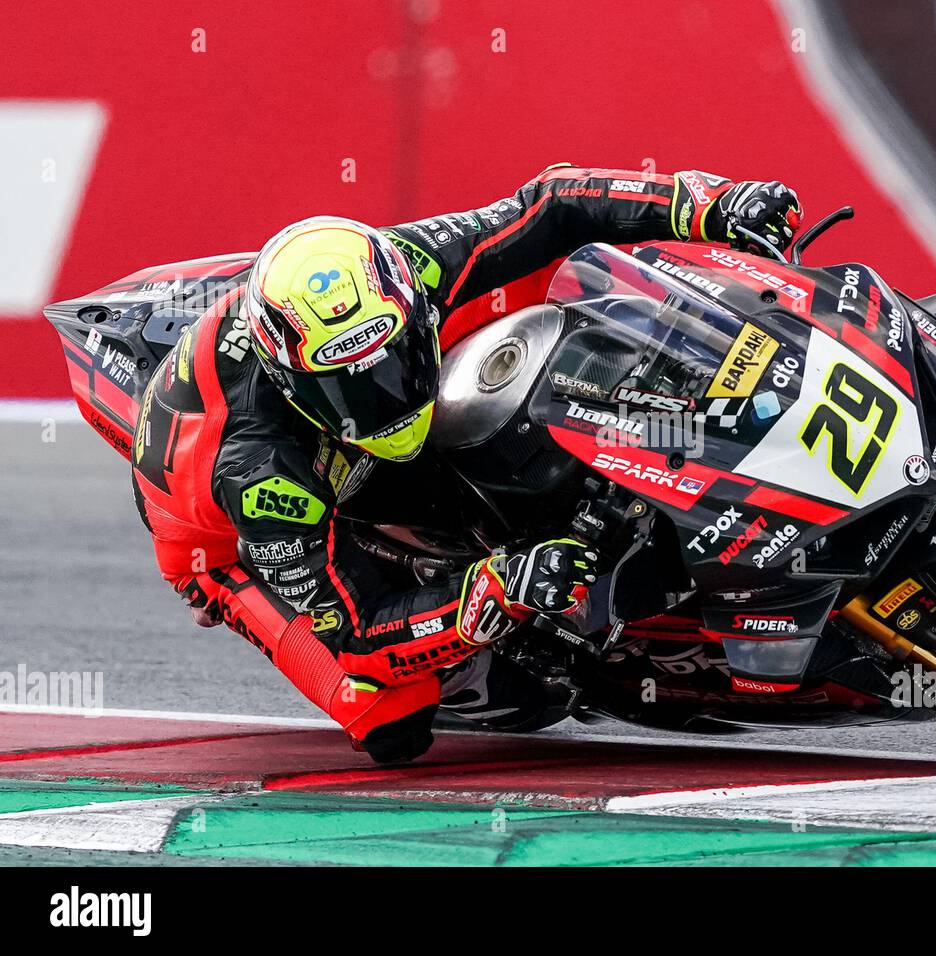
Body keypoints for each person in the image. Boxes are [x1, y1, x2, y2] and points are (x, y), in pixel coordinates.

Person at [130, 164, 802, 762]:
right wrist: (492, 592)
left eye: (391, 356)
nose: (381, 391)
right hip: (216, 540)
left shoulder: (408, 262)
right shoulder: (261, 474)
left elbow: (552, 204)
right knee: (398, 717)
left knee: (539, 328)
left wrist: (702, 204)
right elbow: (362, 630)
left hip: (342, 435)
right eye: (346, 383)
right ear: (291, 378)